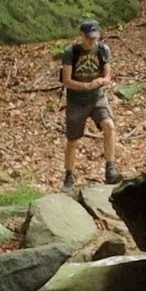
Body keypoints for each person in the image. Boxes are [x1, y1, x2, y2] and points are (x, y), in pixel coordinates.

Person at [59, 19, 122, 190]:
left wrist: (102, 81)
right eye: (88, 38)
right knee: (72, 140)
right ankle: (69, 176)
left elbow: (108, 75)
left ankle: (110, 169)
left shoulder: (103, 49)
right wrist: (86, 85)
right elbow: (66, 80)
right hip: (77, 101)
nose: (91, 41)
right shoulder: (71, 52)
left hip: (97, 98)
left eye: (95, 38)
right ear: (82, 35)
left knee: (109, 126)